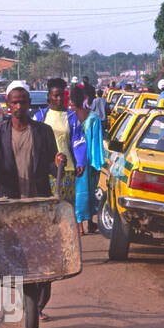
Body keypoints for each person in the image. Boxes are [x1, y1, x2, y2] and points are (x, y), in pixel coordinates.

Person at [0, 81, 66, 318]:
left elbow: (50, 165)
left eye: (23, 102)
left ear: (29, 104)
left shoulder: (43, 131)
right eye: (14, 102)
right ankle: (30, 305)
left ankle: (38, 303)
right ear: (8, 105)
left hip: (39, 201)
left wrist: (58, 162)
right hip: (11, 204)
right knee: (19, 256)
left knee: (44, 254)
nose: (19, 106)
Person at [71, 84, 105, 234]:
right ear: (85, 98)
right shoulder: (93, 118)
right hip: (90, 162)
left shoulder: (70, 117)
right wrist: (97, 163)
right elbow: (97, 143)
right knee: (90, 192)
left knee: (76, 192)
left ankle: (79, 225)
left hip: (75, 160)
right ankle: (90, 222)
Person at [42, 77, 76, 203]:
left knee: (67, 209)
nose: (59, 99)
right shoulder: (40, 116)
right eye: (56, 95)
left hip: (68, 170)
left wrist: (81, 162)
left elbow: (78, 142)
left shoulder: (72, 117)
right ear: (49, 96)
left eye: (62, 95)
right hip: (47, 171)